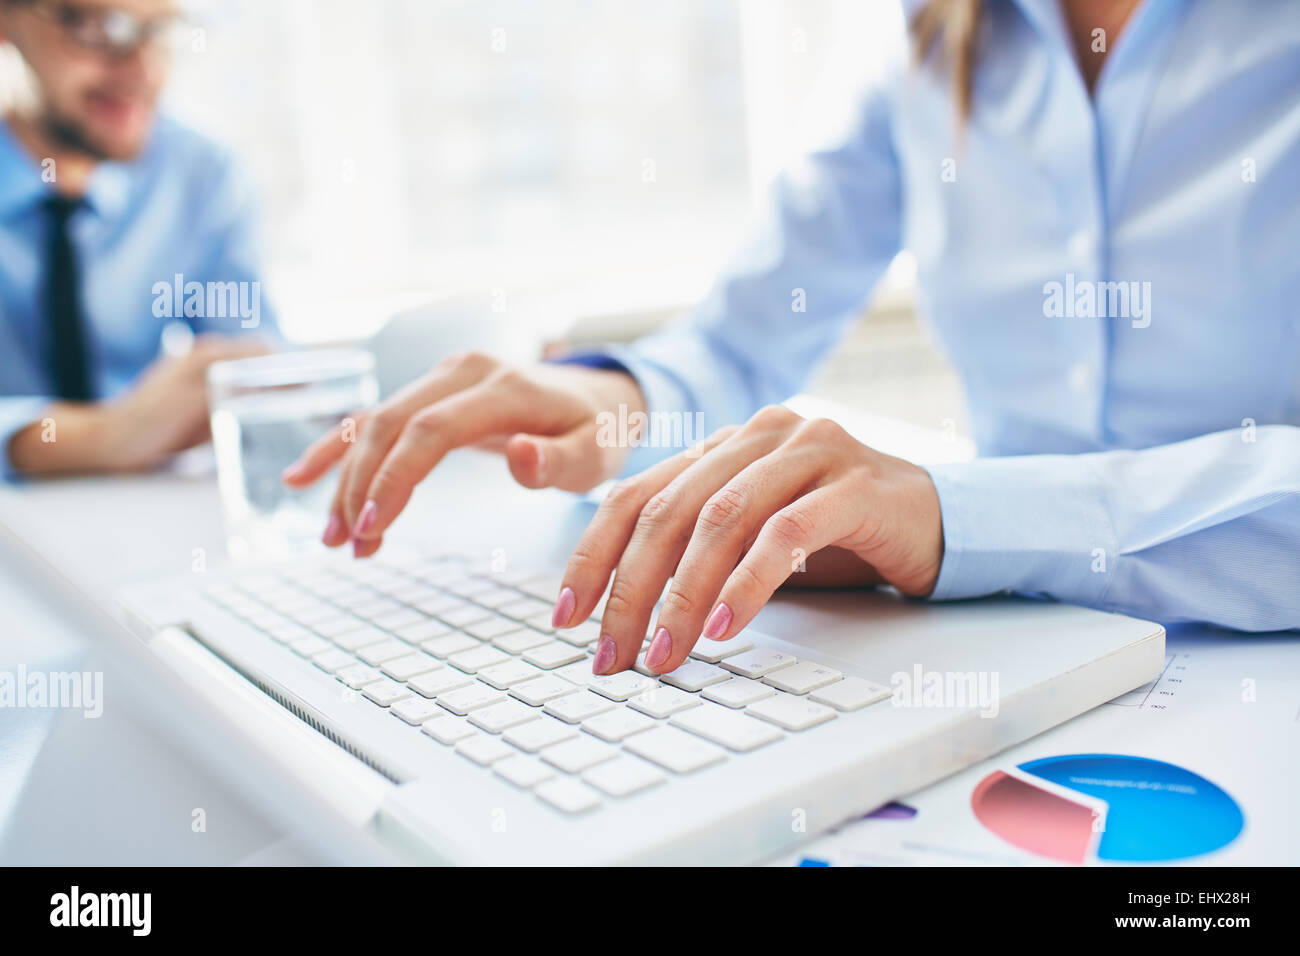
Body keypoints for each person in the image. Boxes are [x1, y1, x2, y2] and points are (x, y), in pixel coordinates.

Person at [284, 0, 1300, 679]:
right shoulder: (932, 34)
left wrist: (953, 515)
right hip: (1013, 651)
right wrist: (613, 401)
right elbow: (740, 341)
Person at [0, 0, 275, 479]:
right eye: (96, 27)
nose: (142, 66)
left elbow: (259, 378)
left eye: (161, 32)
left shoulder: (200, 175)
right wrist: (101, 436)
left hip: (147, 505)